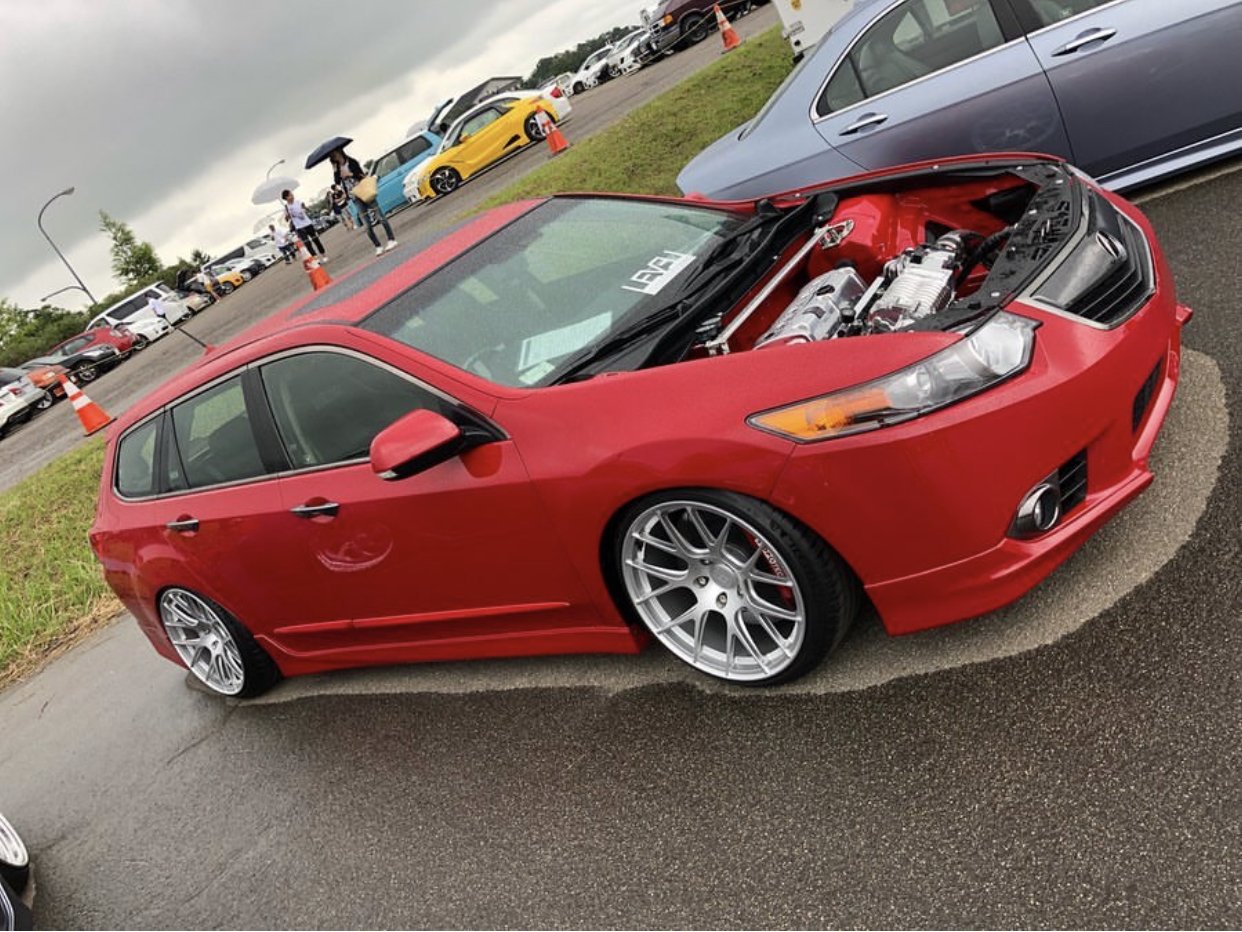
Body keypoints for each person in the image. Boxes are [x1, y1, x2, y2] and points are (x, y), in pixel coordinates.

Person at [329, 148, 397, 257]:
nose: (334, 157)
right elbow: (337, 183)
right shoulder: (337, 168)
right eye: (332, 156)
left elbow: (361, 175)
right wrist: (335, 170)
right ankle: (378, 246)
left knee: (380, 217)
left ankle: (391, 239)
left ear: (340, 152)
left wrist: (349, 174)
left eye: (335, 154)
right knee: (366, 224)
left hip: (364, 191)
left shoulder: (351, 162)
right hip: (355, 196)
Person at [282, 190, 327, 259]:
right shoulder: (286, 207)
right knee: (307, 244)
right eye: (290, 195)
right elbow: (286, 219)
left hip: (308, 224)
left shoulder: (299, 202)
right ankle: (315, 258)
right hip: (299, 228)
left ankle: (323, 254)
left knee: (316, 240)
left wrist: (306, 209)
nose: (292, 196)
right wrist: (288, 215)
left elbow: (307, 209)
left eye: (292, 194)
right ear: (286, 197)